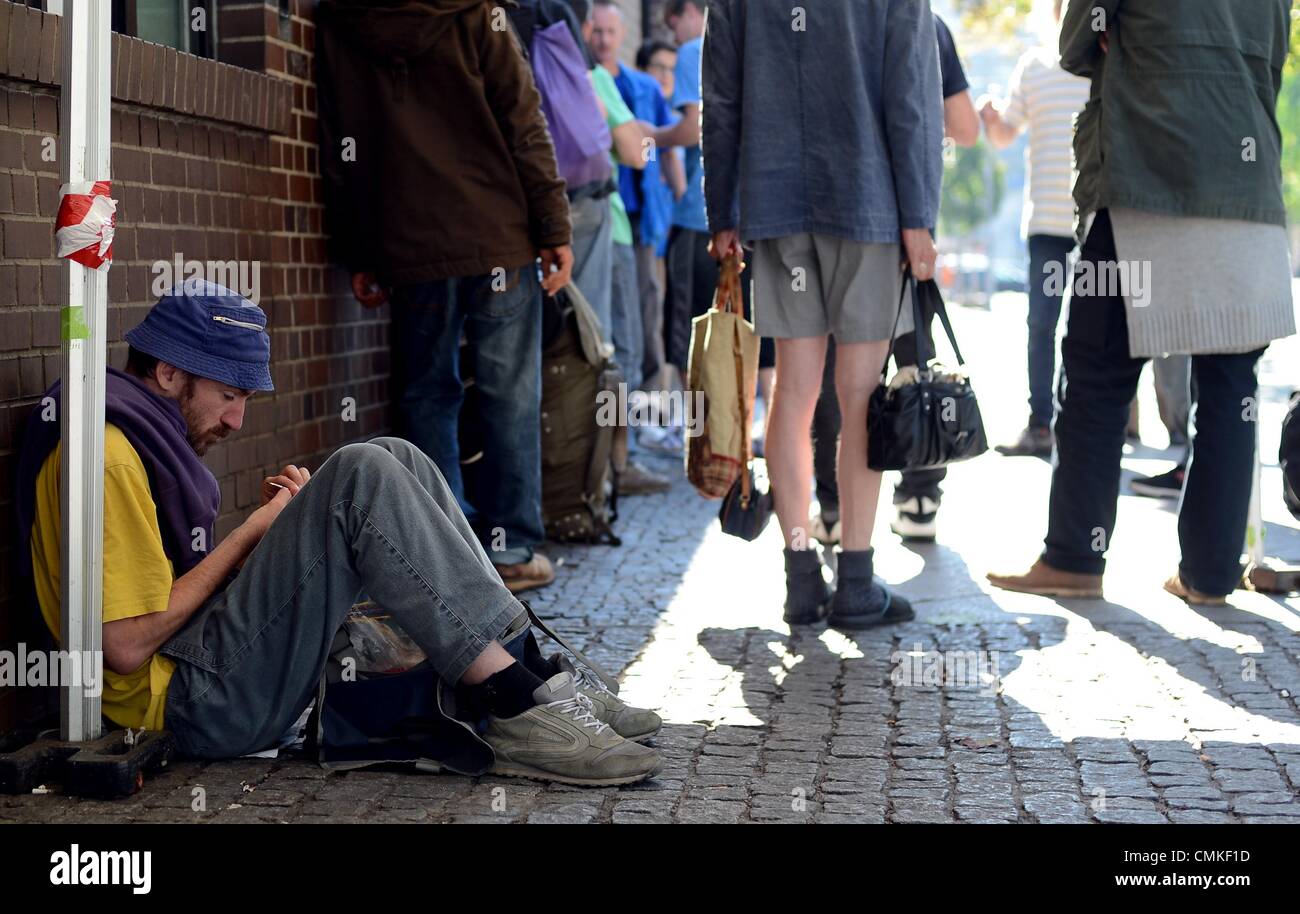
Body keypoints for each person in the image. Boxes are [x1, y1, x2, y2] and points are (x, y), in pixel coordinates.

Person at [14, 284, 663, 783]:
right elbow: (125, 645)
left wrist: (276, 532)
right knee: (358, 472)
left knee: (395, 455)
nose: (238, 421)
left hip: (204, 664)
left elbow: (161, 592)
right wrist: (252, 537)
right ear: (168, 374)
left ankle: (539, 671)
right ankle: (513, 706)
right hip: (190, 706)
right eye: (230, 395)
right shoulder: (106, 457)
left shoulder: (137, 435)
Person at [989, 0, 1296, 607]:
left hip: (1146, 175)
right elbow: (1273, 59)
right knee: (1231, 384)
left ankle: (1075, 557)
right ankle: (1210, 575)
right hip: (1246, 182)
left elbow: (1075, 40)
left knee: (1097, 370)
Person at [315, 0, 573, 593]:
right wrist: (553, 225)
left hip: (411, 244)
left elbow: (341, 143)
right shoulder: (479, 13)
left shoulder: (344, 24)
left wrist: (361, 248)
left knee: (427, 394)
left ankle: (447, 551)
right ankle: (511, 548)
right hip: (497, 237)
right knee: (509, 392)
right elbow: (523, 120)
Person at [703, 0, 944, 628]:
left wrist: (722, 212)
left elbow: (721, 97)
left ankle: (802, 575)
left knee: (793, 389)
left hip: (776, 202)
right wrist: (919, 218)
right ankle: (857, 582)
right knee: (860, 395)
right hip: (867, 200)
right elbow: (911, 99)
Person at [809, 11, 979, 545]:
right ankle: (919, 494)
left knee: (835, 372)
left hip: (821, 209)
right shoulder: (926, 23)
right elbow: (966, 128)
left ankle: (834, 509)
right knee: (910, 357)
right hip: (902, 219)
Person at [980, 0, 1090, 459]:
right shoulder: (1033, 66)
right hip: (1046, 223)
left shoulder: (1101, 61)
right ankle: (1041, 424)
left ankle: (1083, 421)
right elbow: (1005, 133)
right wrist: (988, 115)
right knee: (1041, 325)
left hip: (1094, 221)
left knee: (1086, 328)